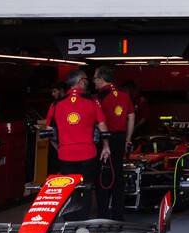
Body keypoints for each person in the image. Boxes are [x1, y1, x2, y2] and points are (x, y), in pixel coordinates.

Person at [39, 69, 111, 217]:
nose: (88, 82)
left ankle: (69, 222)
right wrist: (106, 146)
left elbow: (48, 131)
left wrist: (59, 147)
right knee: (86, 189)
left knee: (68, 189)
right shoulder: (92, 101)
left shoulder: (56, 103)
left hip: (65, 155)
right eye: (86, 79)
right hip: (88, 154)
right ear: (80, 82)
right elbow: (103, 126)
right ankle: (82, 222)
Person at [92, 67, 135, 218]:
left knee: (103, 176)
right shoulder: (124, 94)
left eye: (95, 79)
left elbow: (97, 121)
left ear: (102, 79)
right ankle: (118, 214)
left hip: (105, 140)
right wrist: (128, 139)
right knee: (117, 175)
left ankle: (103, 214)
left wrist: (104, 143)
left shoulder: (98, 97)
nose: (94, 82)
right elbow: (131, 116)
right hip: (121, 138)